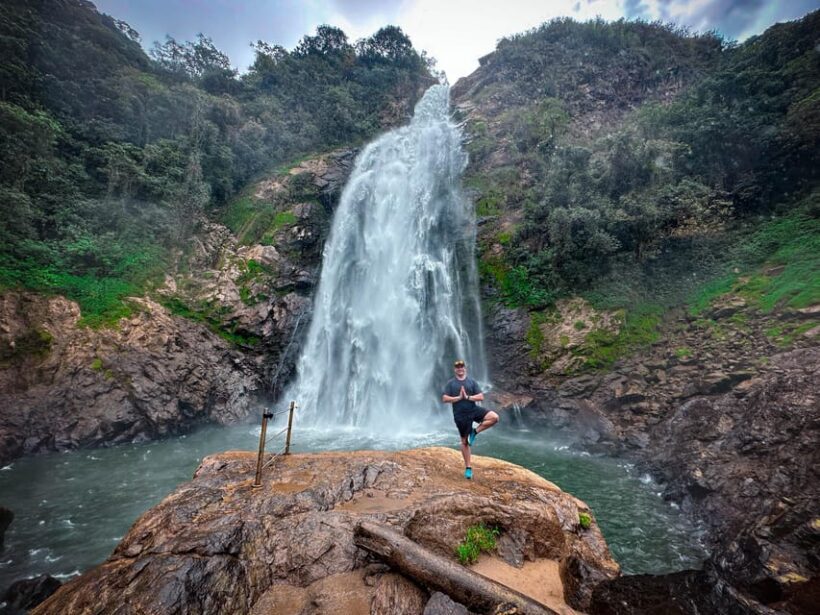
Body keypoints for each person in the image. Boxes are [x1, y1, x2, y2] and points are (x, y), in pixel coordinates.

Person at [441, 359, 498, 479]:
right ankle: (468, 468)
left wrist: (467, 397)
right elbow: (445, 398)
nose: (460, 369)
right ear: (455, 369)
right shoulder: (451, 383)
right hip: (460, 415)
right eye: (457, 367)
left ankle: (474, 431)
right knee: (464, 442)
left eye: (462, 366)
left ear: (465, 368)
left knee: (494, 417)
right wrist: (458, 398)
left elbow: (481, 396)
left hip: (473, 410)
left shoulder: (471, 382)